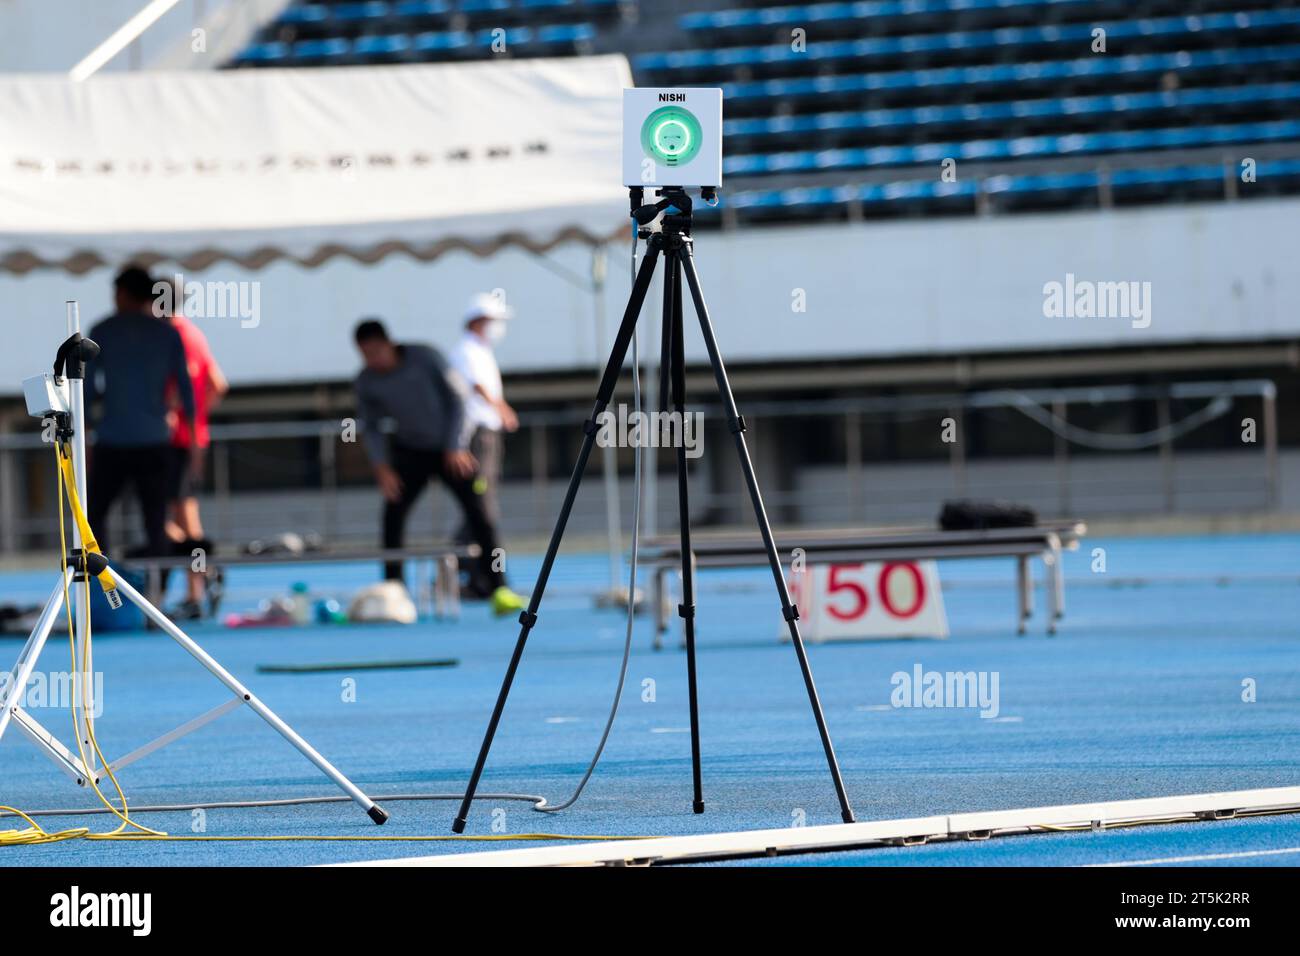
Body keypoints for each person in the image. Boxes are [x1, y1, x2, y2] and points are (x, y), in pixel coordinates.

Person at [352, 319, 525, 616]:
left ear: (388, 344)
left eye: (376, 352)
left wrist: (456, 445)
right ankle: (394, 592)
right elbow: (371, 427)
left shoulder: (426, 356)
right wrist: (382, 467)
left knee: (481, 515)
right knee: (392, 514)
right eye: (365, 355)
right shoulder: (367, 381)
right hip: (411, 451)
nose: (373, 361)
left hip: (453, 449)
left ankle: (500, 588)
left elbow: (458, 400)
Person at [86, 265, 194, 560]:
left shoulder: (102, 331)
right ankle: (155, 593)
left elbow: (85, 389)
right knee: (155, 520)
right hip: (155, 440)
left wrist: (86, 429)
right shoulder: (167, 334)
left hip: (113, 439)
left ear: (120, 293)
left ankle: (101, 584)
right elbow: (186, 390)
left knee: (95, 514)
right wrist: (194, 442)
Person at [160, 276, 229, 620]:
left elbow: (184, 386)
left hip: (177, 442)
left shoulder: (176, 337)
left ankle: (201, 580)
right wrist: (199, 418)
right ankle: (198, 585)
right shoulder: (193, 333)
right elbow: (218, 383)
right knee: (184, 519)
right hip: (189, 438)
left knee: (175, 517)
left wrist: (180, 415)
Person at [449, 293, 518, 539]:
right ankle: (471, 562)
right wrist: (502, 409)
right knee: (481, 498)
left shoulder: (480, 349)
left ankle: (473, 564)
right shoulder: (467, 350)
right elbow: (477, 385)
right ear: (478, 321)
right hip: (478, 435)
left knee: (484, 498)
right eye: (494, 320)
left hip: (487, 433)